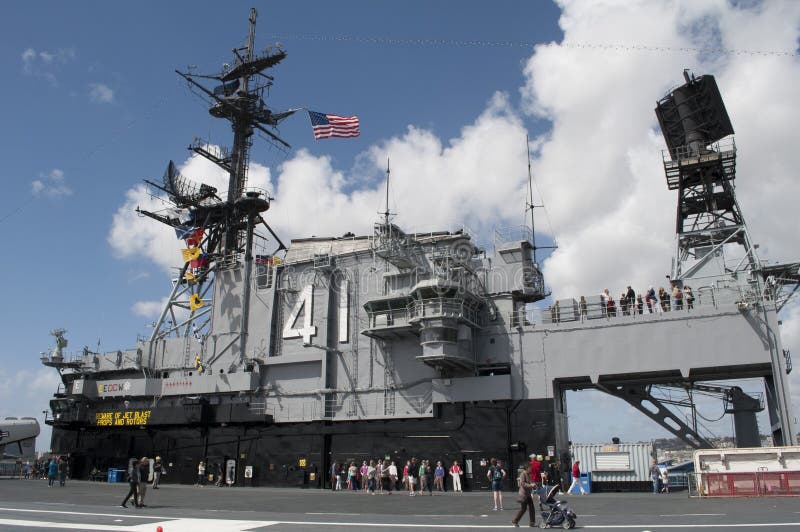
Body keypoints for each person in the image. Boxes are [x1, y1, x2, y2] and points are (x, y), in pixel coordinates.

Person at [511, 462, 537, 527]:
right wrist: (530, 485)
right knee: (523, 509)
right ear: (527, 468)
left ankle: (532, 522)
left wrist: (533, 484)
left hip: (528, 494)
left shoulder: (529, 474)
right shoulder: (523, 474)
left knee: (531, 508)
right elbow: (522, 483)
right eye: (530, 468)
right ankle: (515, 521)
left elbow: (530, 481)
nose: (531, 469)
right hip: (524, 494)